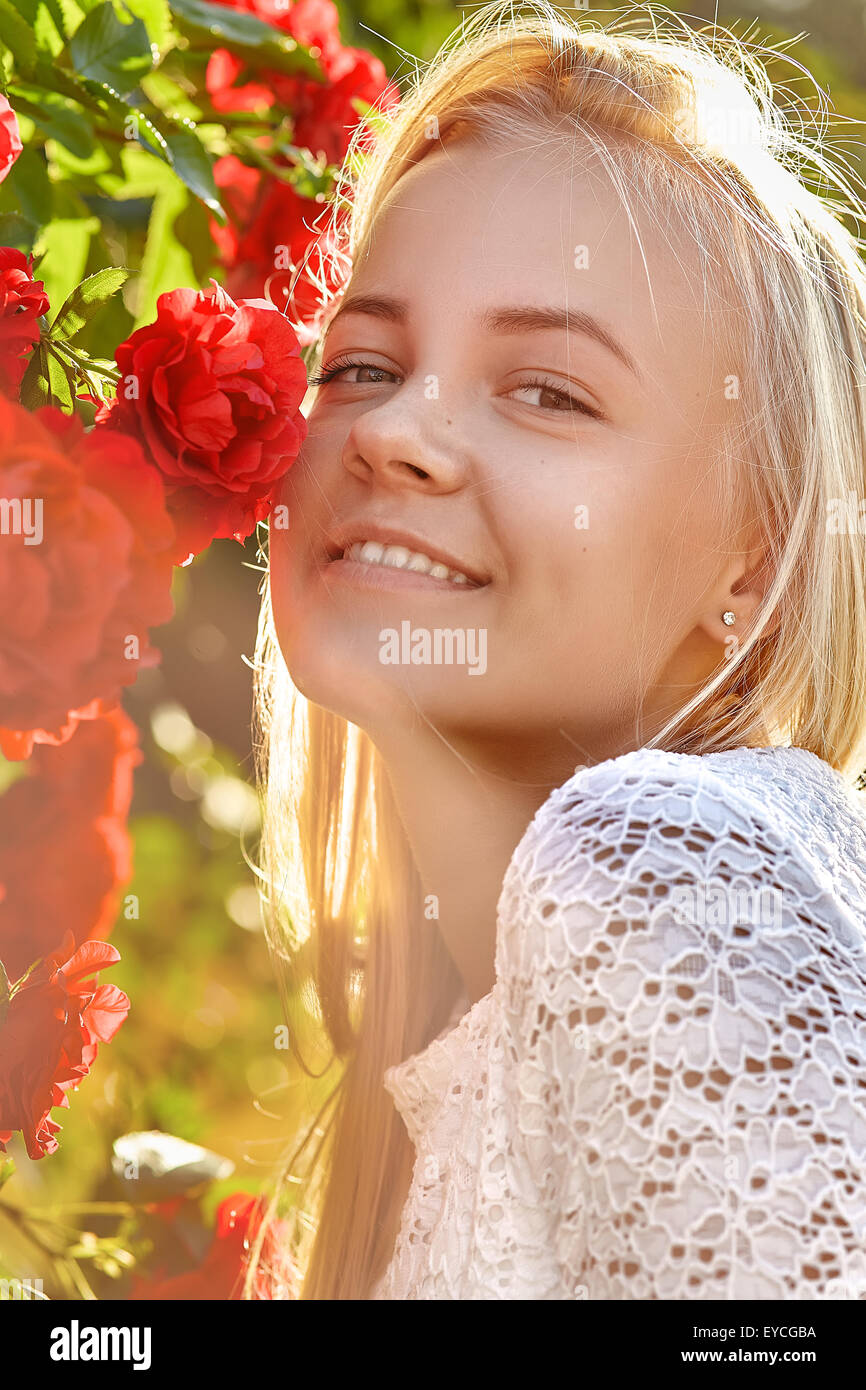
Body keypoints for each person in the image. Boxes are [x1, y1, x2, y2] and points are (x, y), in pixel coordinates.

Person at [249, 0, 866, 1299]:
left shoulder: (667, 866)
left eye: (546, 390)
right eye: (361, 364)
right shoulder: (464, 1065)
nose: (396, 430)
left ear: (753, 570)